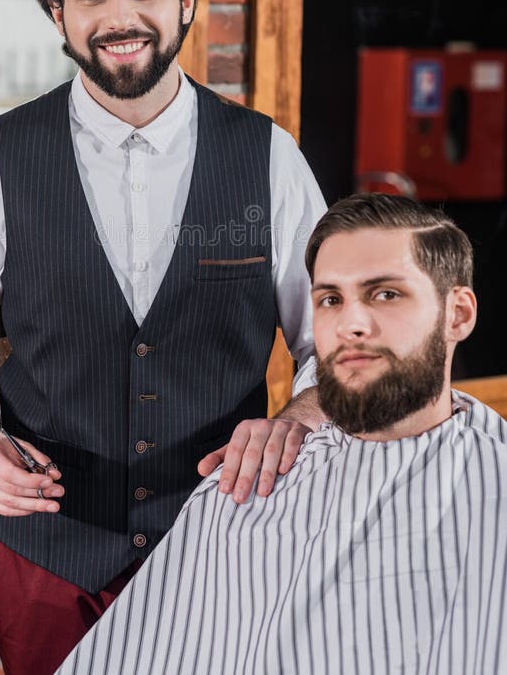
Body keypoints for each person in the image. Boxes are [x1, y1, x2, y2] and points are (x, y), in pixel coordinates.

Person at [0, 0, 326, 674]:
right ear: (58, 14)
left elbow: (332, 344)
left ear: (185, 0)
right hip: (48, 563)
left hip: (225, 547)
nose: (119, 16)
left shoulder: (269, 158)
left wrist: (297, 417)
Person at [57, 193, 507, 675]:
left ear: (457, 313)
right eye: (331, 299)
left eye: (386, 294)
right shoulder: (241, 492)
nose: (352, 323)